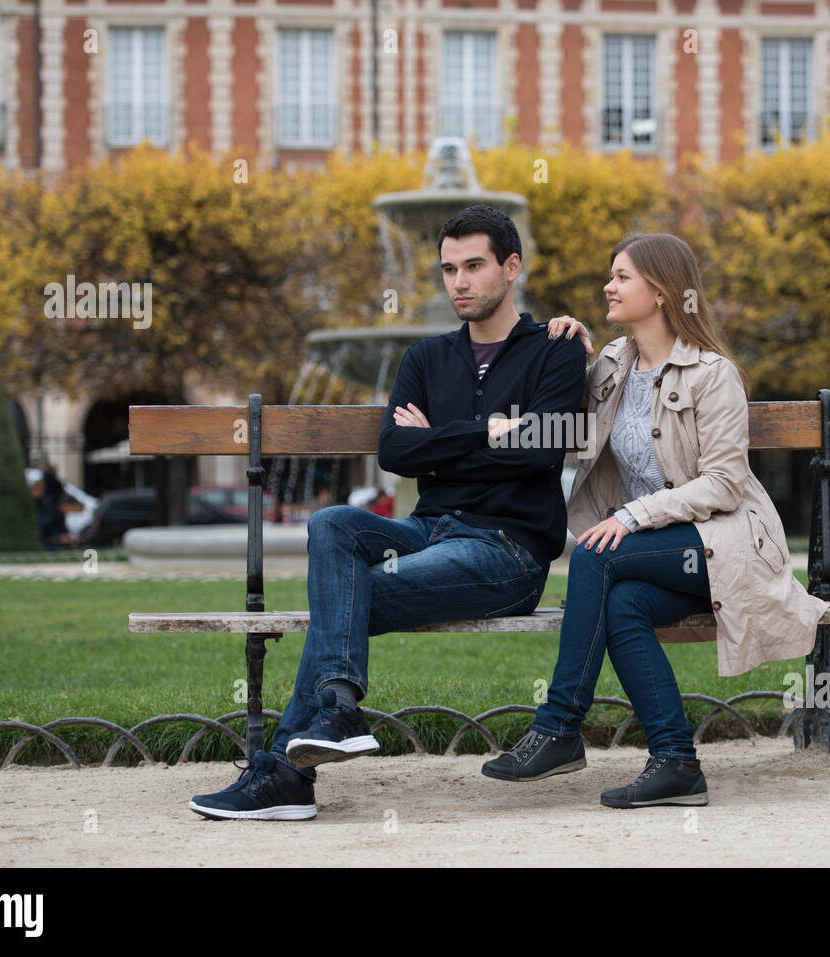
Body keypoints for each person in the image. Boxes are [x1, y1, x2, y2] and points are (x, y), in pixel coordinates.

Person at [190, 204, 587, 820]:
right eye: (448, 268)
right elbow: (396, 451)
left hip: (506, 552)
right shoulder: (425, 359)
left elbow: (540, 453)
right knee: (332, 525)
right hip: (427, 531)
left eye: (474, 266)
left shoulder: (554, 352)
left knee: (342, 596)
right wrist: (491, 432)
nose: (459, 281)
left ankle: (285, 773)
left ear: (511, 268)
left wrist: (445, 442)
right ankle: (335, 715)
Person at [480, 233, 829, 808]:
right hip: (658, 547)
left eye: (621, 277)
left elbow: (724, 483)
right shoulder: (614, 363)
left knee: (595, 552)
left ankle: (561, 725)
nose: (607, 286)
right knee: (624, 606)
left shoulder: (713, 374)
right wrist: (558, 349)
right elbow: (567, 424)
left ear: (662, 292)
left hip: (724, 544)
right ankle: (677, 763)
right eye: (610, 275)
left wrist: (635, 515)